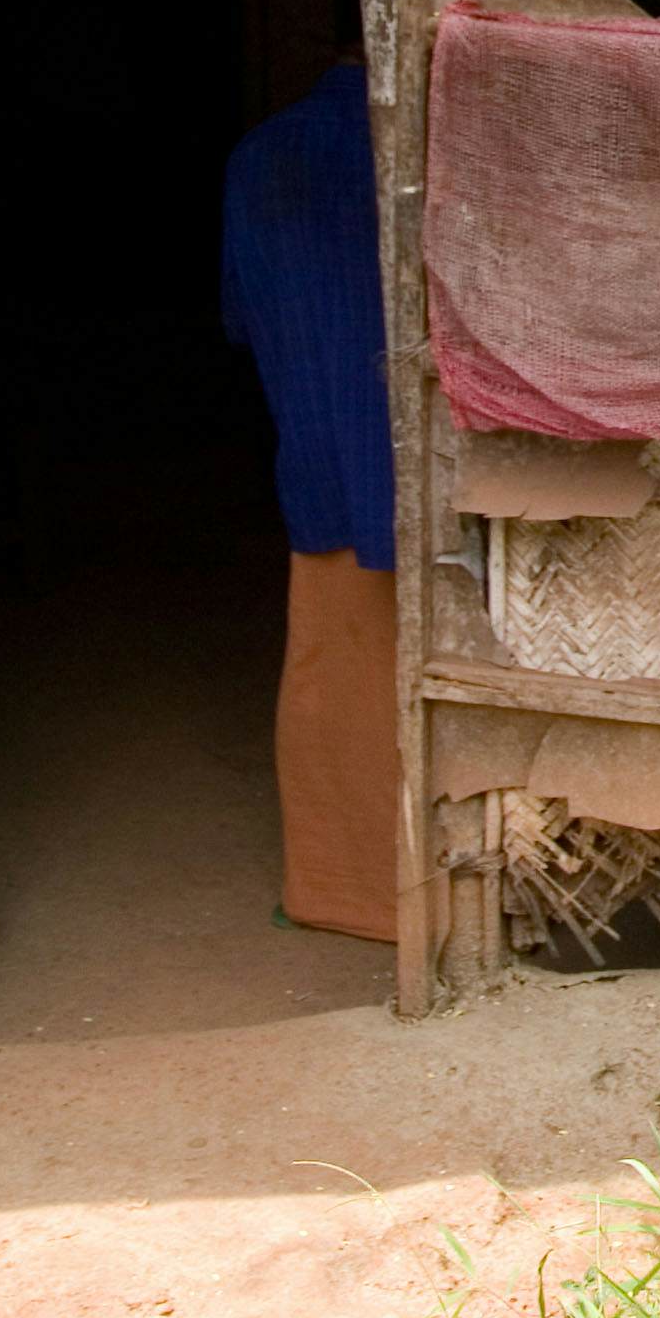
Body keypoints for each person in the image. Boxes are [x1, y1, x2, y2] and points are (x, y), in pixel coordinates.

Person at [220, 57, 395, 940]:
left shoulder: (259, 155)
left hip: (326, 463)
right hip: (449, 471)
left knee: (336, 674)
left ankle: (340, 891)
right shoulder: (440, 141)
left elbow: (240, 318)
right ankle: (469, 894)